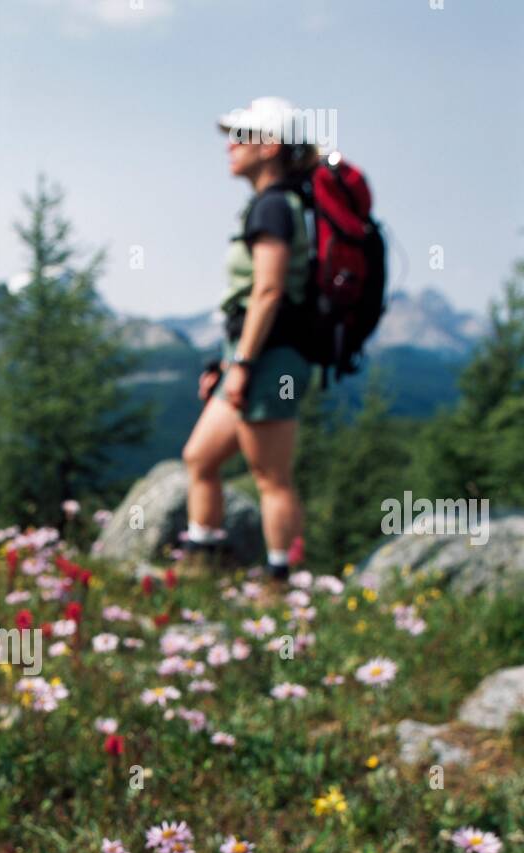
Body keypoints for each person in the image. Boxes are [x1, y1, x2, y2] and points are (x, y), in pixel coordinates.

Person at [181, 96, 319, 583]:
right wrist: (225, 364)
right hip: (252, 355)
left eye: (242, 137)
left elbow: (268, 290)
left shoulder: (275, 207)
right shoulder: (275, 205)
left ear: (270, 147)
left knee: (272, 478)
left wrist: (241, 364)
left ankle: (283, 583)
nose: (230, 148)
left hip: (271, 360)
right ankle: (203, 560)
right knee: (200, 457)